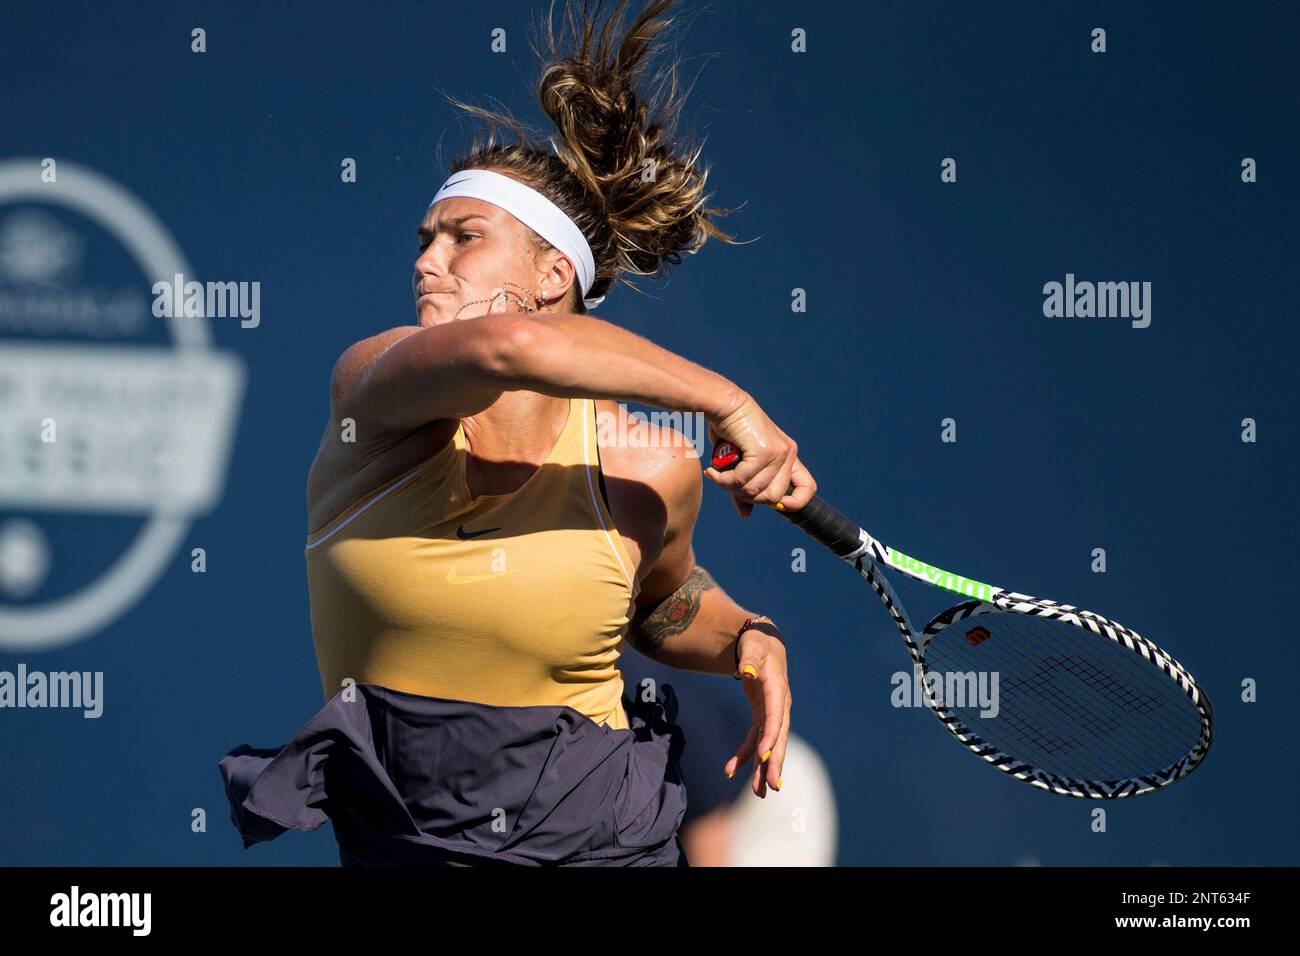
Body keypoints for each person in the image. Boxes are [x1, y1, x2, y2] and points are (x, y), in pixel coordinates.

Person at [219, 0, 815, 867]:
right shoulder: (373, 387)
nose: (428, 262)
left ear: (549, 274)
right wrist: (729, 401)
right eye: (426, 240)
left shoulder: (651, 466)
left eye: (464, 239)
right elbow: (513, 348)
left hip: (606, 841)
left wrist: (749, 637)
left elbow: (666, 604)